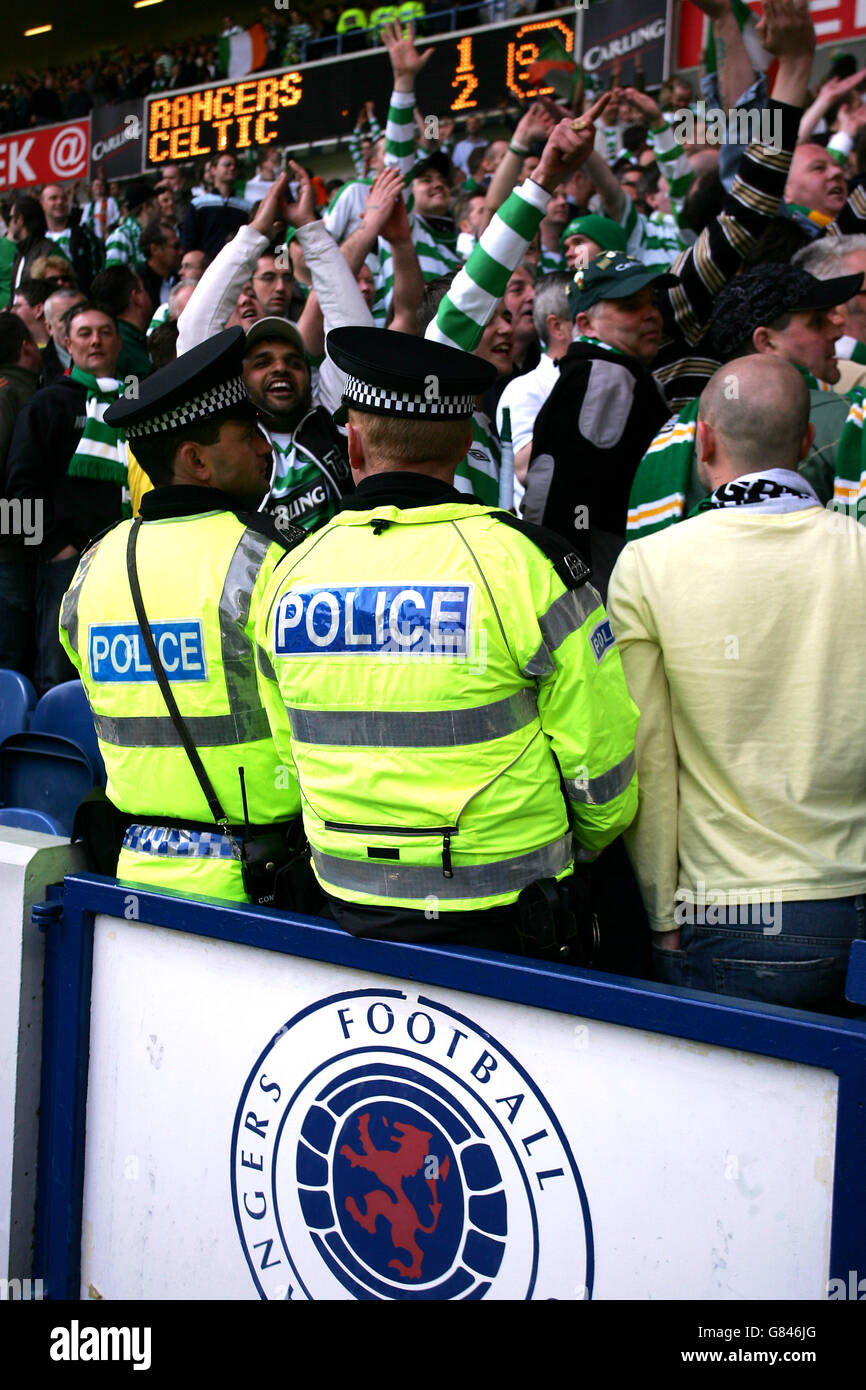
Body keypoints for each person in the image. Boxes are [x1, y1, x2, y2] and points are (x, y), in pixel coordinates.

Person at [255, 325, 639, 955]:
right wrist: (583, 846)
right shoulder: (531, 564)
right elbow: (603, 762)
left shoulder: (289, 573)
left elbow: (289, 747)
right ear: (465, 443)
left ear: (352, 443)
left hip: (350, 907)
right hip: (511, 919)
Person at [607, 355, 866, 1014]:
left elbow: (649, 757)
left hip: (728, 910)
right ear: (807, 445)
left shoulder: (648, 566)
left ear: (706, 439)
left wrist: (661, 910)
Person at [58, 328, 306, 903]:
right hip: (259, 883)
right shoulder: (269, 555)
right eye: (247, 436)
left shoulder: (93, 563)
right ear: (196, 460)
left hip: (133, 871)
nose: (265, 448)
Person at [4, 302, 128, 693]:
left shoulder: (135, 401)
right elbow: (17, 490)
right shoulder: (46, 403)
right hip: (66, 562)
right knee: (57, 674)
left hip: (126, 558)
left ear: (119, 343)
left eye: (105, 332)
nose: (96, 341)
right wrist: (52, 548)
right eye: (85, 333)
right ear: (67, 345)